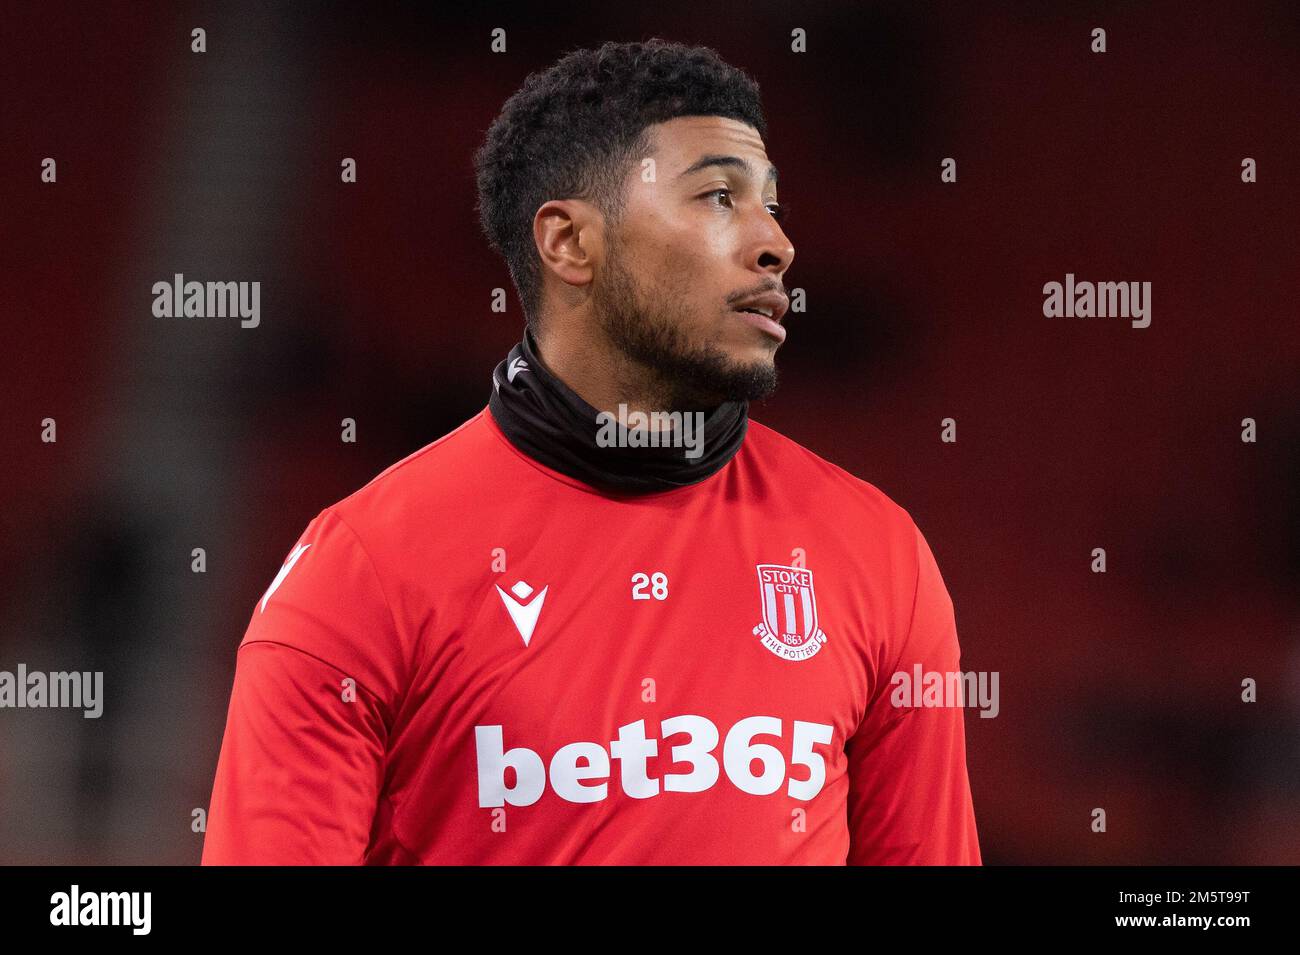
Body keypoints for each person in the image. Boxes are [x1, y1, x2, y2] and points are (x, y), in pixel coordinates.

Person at [202, 38, 981, 865]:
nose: (775, 245)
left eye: (773, 206)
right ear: (570, 244)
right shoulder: (361, 573)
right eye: (720, 196)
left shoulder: (877, 551)